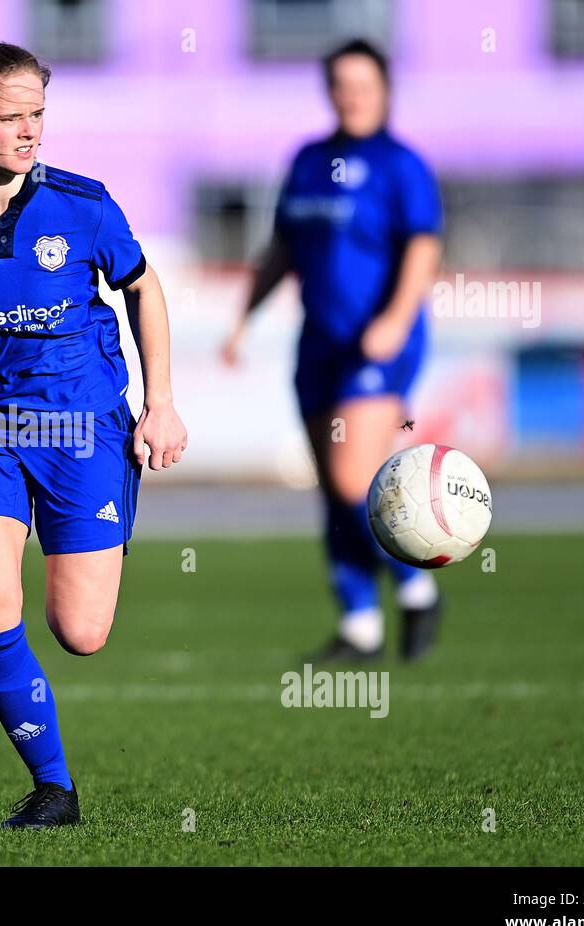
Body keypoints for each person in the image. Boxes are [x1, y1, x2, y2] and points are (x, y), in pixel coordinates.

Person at [0, 42, 187, 828]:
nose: (30, 131)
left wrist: (162, 403)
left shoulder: (84, 205)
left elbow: (143, 288)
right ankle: (55, 789)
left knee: (80, 632)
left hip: (82, 426)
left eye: (38, 114)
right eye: (10, 115)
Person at [221, 39, 444, 661]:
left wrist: (396, 319)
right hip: (318, 343)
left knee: (353, 478)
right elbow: (283, 248)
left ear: (384, 90)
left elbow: (424, 248)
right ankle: (360, 624)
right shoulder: (309, 160)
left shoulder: (401, 165)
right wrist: (243, 320)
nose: (351, 95)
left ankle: (417, 586)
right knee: (332, 486)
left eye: (362, 84)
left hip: (375, 345)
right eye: (340, 84)